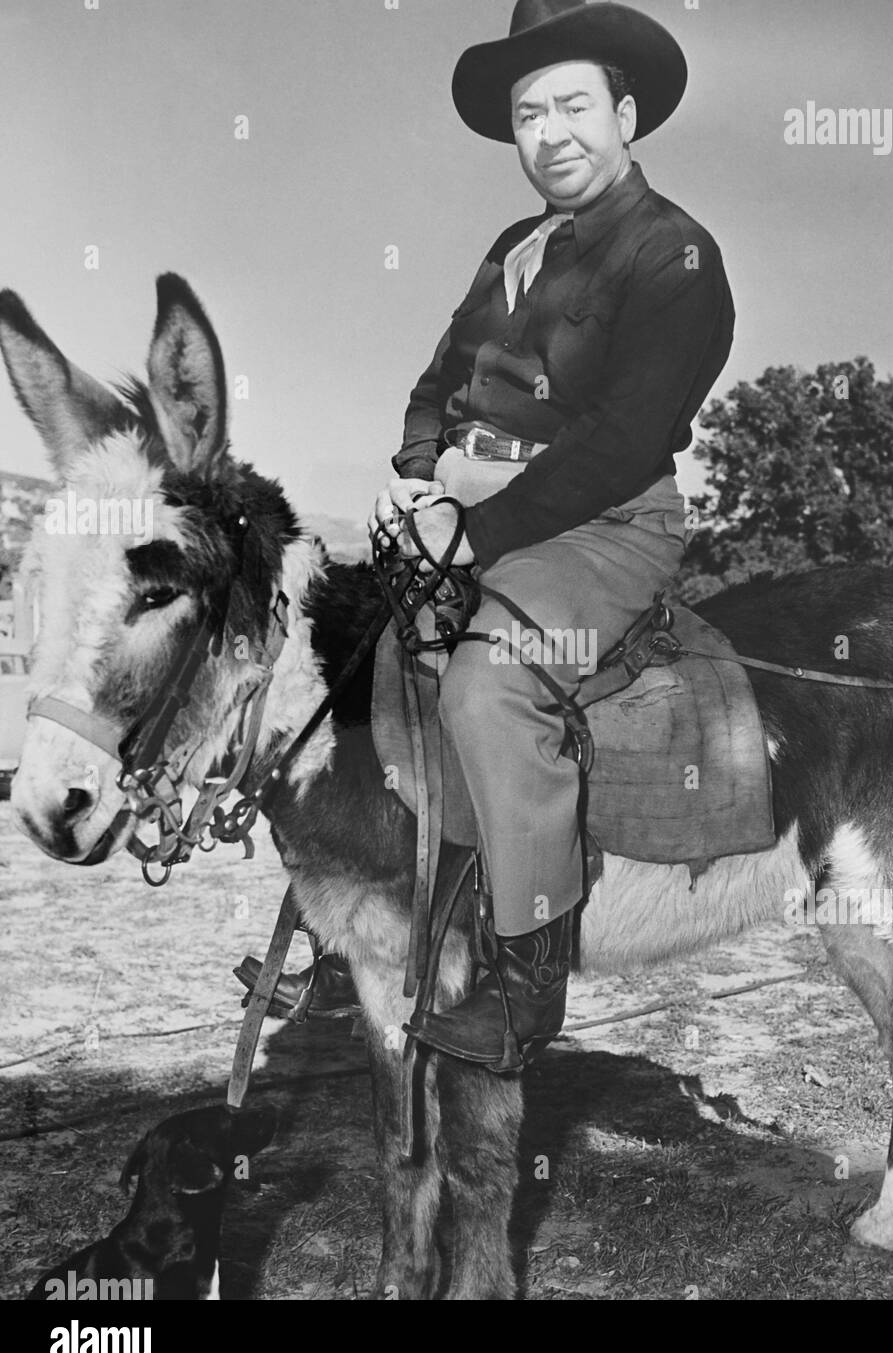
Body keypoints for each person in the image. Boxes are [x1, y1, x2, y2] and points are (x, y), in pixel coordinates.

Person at [239, 0, 735, 1071]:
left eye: (572, 106)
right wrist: (415, 479)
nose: (550, 134)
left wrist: (475, 527)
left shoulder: (677, 258)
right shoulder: (513, 248)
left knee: (486, 687)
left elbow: (622, 440)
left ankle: (522, 987)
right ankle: (350, 938)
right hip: (467, 513)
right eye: (528, 115)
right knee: (354, 657)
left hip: (601, 523)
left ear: (626, 113)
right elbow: (438, 382)